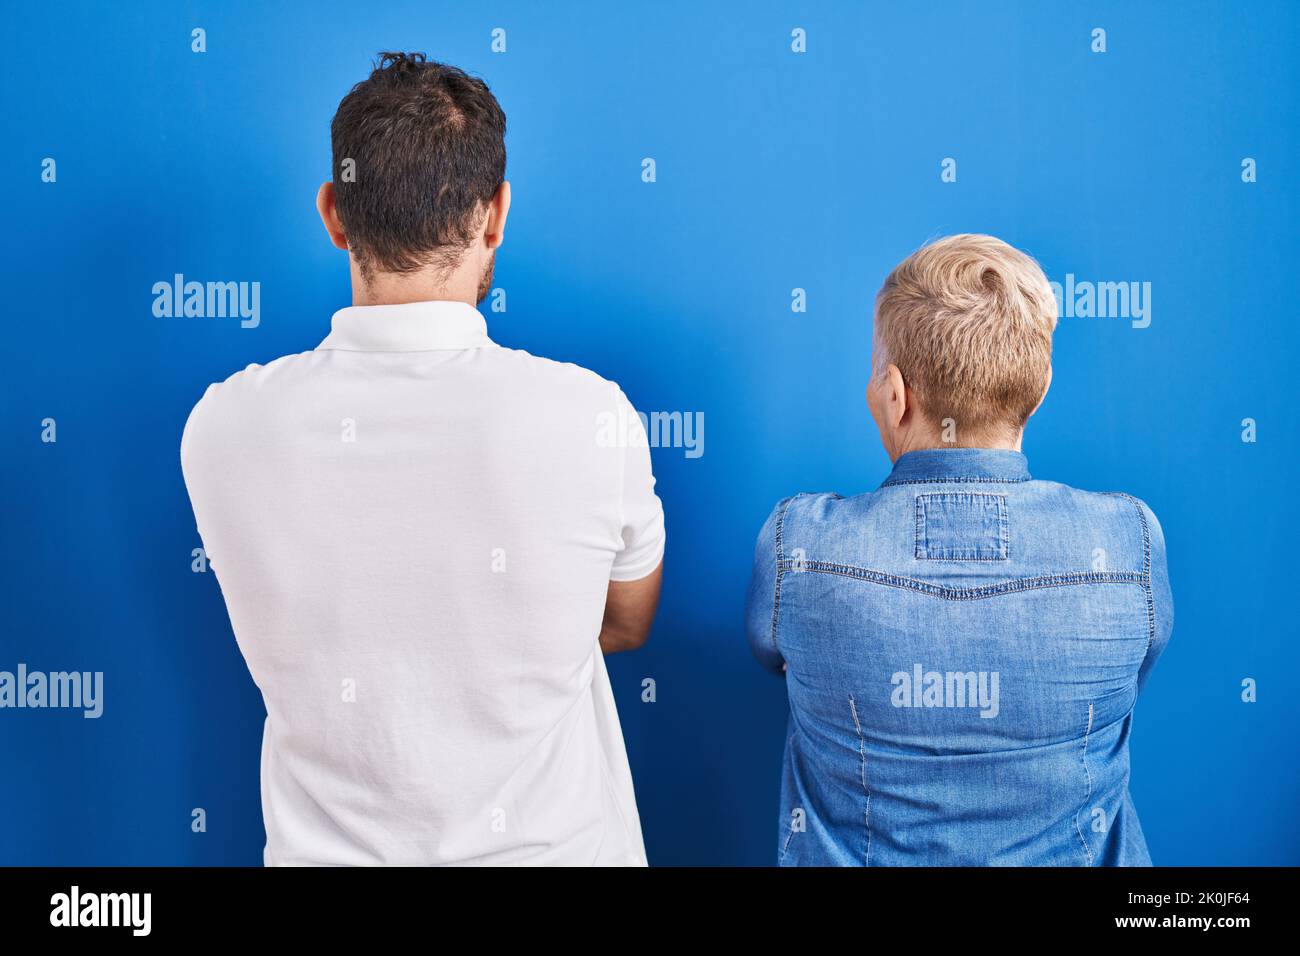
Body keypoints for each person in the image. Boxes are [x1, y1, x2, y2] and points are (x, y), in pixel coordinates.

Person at [181, 53, 664, 866]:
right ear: (496, 215)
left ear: (333, 213)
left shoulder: (224, 426)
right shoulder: (592, 418)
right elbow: (622, 621)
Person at [745, 234, 1172, 866]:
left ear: (895, 393)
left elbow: (770, 654)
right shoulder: (1128, 542)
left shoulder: (798, 547)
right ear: (1041, 385)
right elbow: (1138, 670)